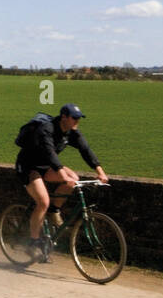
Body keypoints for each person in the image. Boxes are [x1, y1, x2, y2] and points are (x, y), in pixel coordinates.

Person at [14, 103, 108, 260]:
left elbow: (85, 150)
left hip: (46, 165)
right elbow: (50, 154)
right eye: (74, 118)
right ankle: (33, 242)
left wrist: (100, 172)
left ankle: (54, 210)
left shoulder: (71, 132)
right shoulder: (46, 129)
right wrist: (61, 173)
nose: (77, 121)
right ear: (64, 117)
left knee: (74, 179)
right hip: (29, 166)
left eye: (79, 118)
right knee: (43, 201)